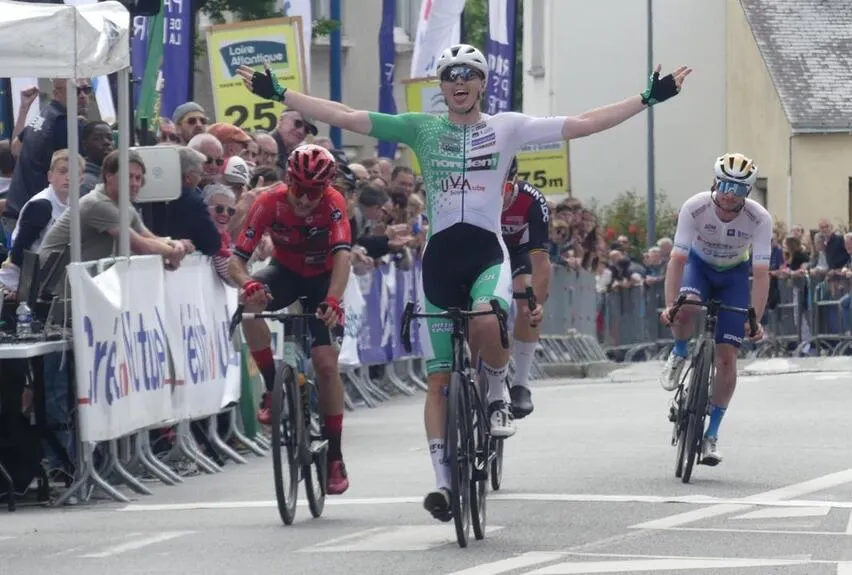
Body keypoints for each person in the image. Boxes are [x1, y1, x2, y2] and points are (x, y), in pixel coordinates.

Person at [237, 43, 691, 523]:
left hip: (486, 257)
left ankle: (496, 395)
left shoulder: (506, 127)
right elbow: (345, 116)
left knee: (484, 321)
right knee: (438, 380)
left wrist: (646, 98)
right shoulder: (422, 128)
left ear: (481, 83)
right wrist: (282, 93)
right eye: (450, 75)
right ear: (441, 86)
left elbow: (582, 123)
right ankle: (442, 484)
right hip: (439, 261)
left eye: (468, 74)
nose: (459, 82)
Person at [227, 144, 353, 495]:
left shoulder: (334, 204)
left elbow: (343, 259)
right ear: (288, 180)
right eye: (299, 189)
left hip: (322, 280)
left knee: (325, 364)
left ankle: (335, 455)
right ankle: (273, 387)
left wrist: (333, 299)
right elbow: (236, 260)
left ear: (326, 188)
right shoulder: (270, 201)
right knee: (249, 304)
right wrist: (248, 283)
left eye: (315, 192)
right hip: (285, 272)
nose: (306, 199)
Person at [658, 153, 771, 467]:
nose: (729, 194)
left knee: (726, 358)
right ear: (714, 182)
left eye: (738, 188)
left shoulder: (759, 218)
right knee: (687, 307)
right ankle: (680, 351)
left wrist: (755, 319)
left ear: (748, 192)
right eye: (724, 185)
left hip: (734, 276)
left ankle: (712, 434)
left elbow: (761, 273)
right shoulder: (695, 207)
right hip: (699, 268)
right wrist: (671, 306)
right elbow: (677, 260)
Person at [499, 158, 552, 419]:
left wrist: (537, 305)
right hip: (486, 251)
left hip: (520, 252)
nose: (501, 196)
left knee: (527, 302)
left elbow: (541, 260)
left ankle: (520, 383)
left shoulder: (532, 199)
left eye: (506, 188)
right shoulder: (475, 193)